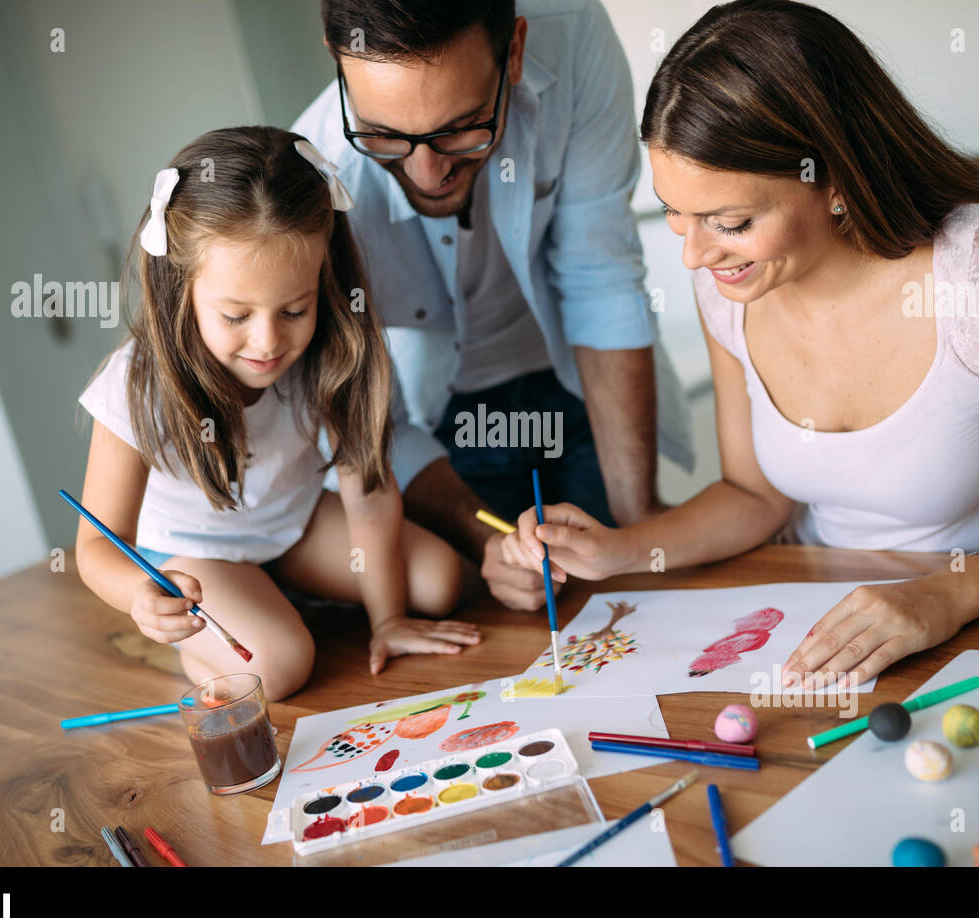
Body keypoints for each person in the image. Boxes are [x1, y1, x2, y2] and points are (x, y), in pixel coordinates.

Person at [504, 0, 979, 687]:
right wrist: (618, 549)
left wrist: (953, 589)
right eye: (675, 213)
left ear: (836, 182)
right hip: (812, 626)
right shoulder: (732, 290)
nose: (694, 255)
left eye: (728, 221)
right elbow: (754, 495)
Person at [293, 0, 695, 612]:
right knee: (498, 611)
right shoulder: (319, 182)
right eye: (385, 136)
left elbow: (601, 280)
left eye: (462, 126)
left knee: (625, 598)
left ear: (514, 52)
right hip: (437, 417)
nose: (427, 172)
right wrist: (491, 541)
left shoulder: (576, 34)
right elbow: (373, 416)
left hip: (580, 382)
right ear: (337, 60)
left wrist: (640, 523)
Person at [75, 126, 478, 699]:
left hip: (291, 524)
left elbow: (368, 489)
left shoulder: (331, 348)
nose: (268, 342)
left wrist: (388, 621)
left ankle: (272, 589)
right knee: (282, 663)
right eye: (235, 316)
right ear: (180, 288)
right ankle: (213, 638)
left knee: (438, 583)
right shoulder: (137, 381)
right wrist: (141, 594)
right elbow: (95, 546)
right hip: (194, 555)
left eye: (295, 308)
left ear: (323, 278)